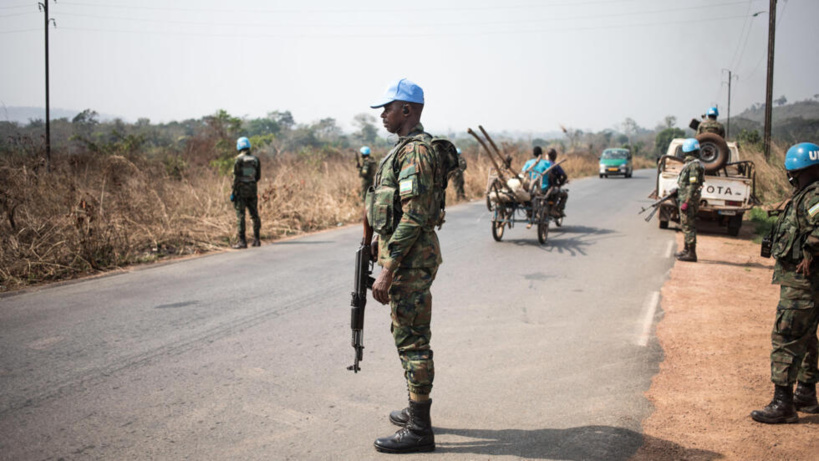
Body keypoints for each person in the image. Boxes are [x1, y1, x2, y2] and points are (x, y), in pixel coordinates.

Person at [366, 78, 442, 453]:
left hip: (410, 263)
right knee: (406, 335)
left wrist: (389, 267)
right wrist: (379, 239)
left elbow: (414, 216)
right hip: (406, 258)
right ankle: (415, 411)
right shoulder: (402, 151)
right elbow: (397, 210)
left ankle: (420, 430)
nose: (383, 114)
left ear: (407, 110)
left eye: (388, 108)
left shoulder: (415, 153)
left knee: (413, 340)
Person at [751, 142, 819, 424]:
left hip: (803, 282)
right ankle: (805, 393)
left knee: (786, 336)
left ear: (801, 172)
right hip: (804, 282)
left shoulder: (814, 195)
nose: (790, 177)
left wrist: (811, 252)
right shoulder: (806, 194)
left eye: (793, 173)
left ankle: (783, 403)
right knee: (806, 337)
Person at [674, 138, 705, 262]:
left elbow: (693, 185)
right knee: (685, 225)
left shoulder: (693, 166)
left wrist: (686, 201)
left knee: (688, 226)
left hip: (689, 201)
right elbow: (686, 184)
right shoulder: (691, 164)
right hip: (685, 198)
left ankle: (692, 254)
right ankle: (686, 250)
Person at [231, 136, 261, 249]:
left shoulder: (238, 160)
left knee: (241, 215)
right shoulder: (255, 159)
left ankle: (242, 242)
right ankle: (257, 240)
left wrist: (233, 192)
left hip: (241, 191)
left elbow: (235, 178)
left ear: (239, 147)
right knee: (254, 215)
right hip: (253, 190)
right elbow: (258, 176)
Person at [546, 148, 569, 217]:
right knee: (565, 194)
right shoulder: (555, 165)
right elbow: (564, 176)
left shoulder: (543, 164)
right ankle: (557, 209)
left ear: (547, 156)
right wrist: (560, 184)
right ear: (555, 157)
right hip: (551, 187)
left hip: (541, 187)